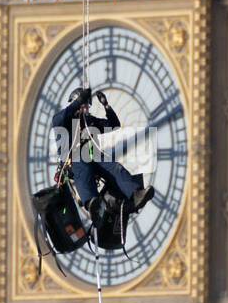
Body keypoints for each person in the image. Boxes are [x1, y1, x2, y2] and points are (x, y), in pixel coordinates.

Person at [52, 86, 155, 222]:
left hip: (94, 158)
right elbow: (58, 119)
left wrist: (106, 106)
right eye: (84, 106)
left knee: (114, 167)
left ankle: (134, 194)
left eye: (87, 106)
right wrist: (78, 102)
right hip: (73, 162)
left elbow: (114, 125)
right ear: (75, 104)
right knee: (83, 165)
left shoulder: (90, 122)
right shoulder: (64, 121)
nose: (86, 110)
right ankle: (92, 203)